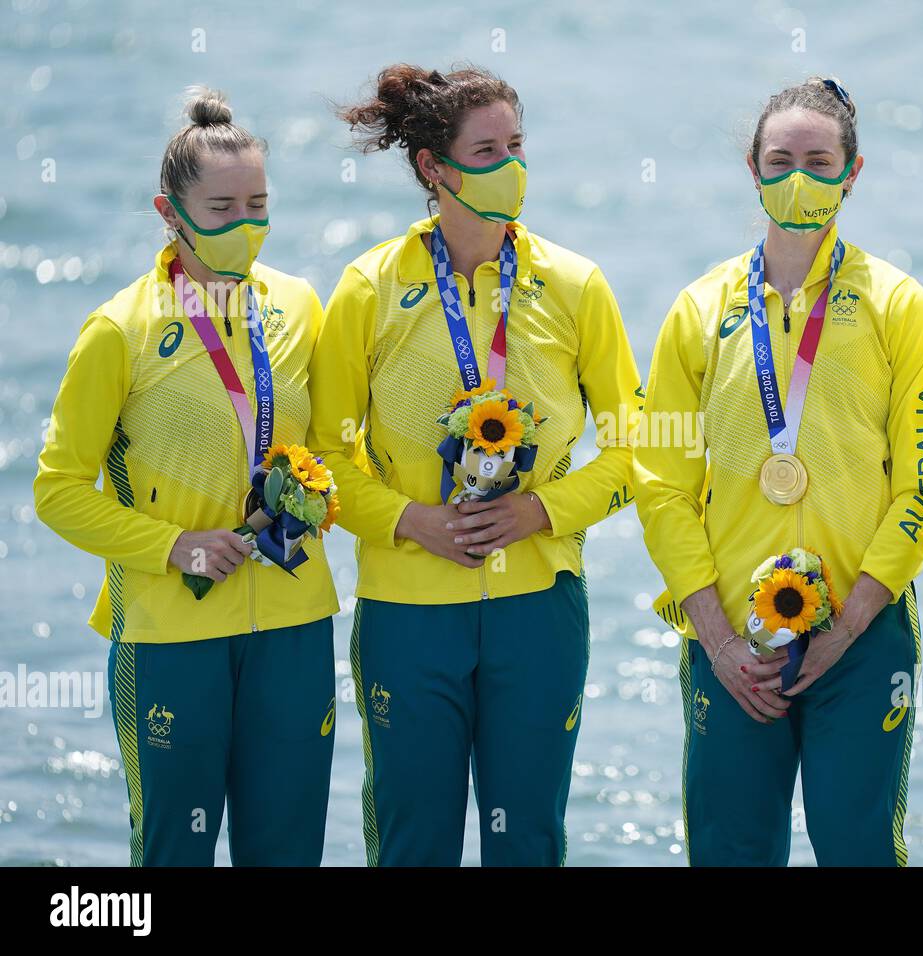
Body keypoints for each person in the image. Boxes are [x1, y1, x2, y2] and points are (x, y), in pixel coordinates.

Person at [312, 63, 641, 866]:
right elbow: (321, 458)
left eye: (518, 146)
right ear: (434, 167)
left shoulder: (574, 285)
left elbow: (643, 449)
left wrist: (544, 510)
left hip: (539, 609)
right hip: (406, 611)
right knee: (413, 841)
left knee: (527, 840)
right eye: (487, 151)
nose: (511, 167)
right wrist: (407, 519)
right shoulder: (368, 287)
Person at [633, 77, 923, 866]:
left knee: (860, 848)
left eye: (818, 160)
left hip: (863, 636)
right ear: (753, 168)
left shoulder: (897, 306)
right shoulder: (699, 310)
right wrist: (717, 637)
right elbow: (662, 484)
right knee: (731, 851)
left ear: (853, 171)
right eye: (781, 160)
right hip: (733, 642)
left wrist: (847, 628)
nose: (798, 178)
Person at [33, 87, 339, 866]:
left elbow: (339, 447)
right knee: (175, 853)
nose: (247, 225)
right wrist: (175, 547)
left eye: (260, 205)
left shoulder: (301, 307)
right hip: (171, 631)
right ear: (169, 211)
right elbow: (57, 490)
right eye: (225, 206)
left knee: (289, 850)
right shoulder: (119, 330)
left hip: (294, 622)